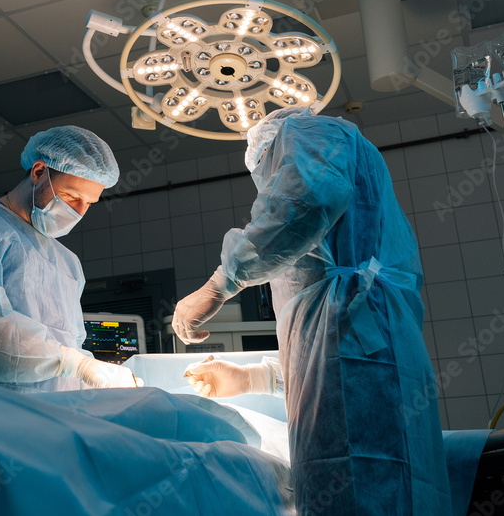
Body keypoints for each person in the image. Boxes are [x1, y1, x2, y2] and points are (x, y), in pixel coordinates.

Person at [172, 106, 452, 514]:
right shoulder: (365, 306)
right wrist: (256, 377)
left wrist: (222, 282)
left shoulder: (309, 133)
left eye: (271, 179)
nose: (269, 197)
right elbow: (342, 371)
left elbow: (306, 202)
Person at [0, 126, 141, 391]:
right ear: (39, 173)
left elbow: (69, 353)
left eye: (89, 203)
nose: (79, 212)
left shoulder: (68, 263)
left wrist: (104, 383)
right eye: (72, 196)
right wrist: (78, 365)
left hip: (57, 417)